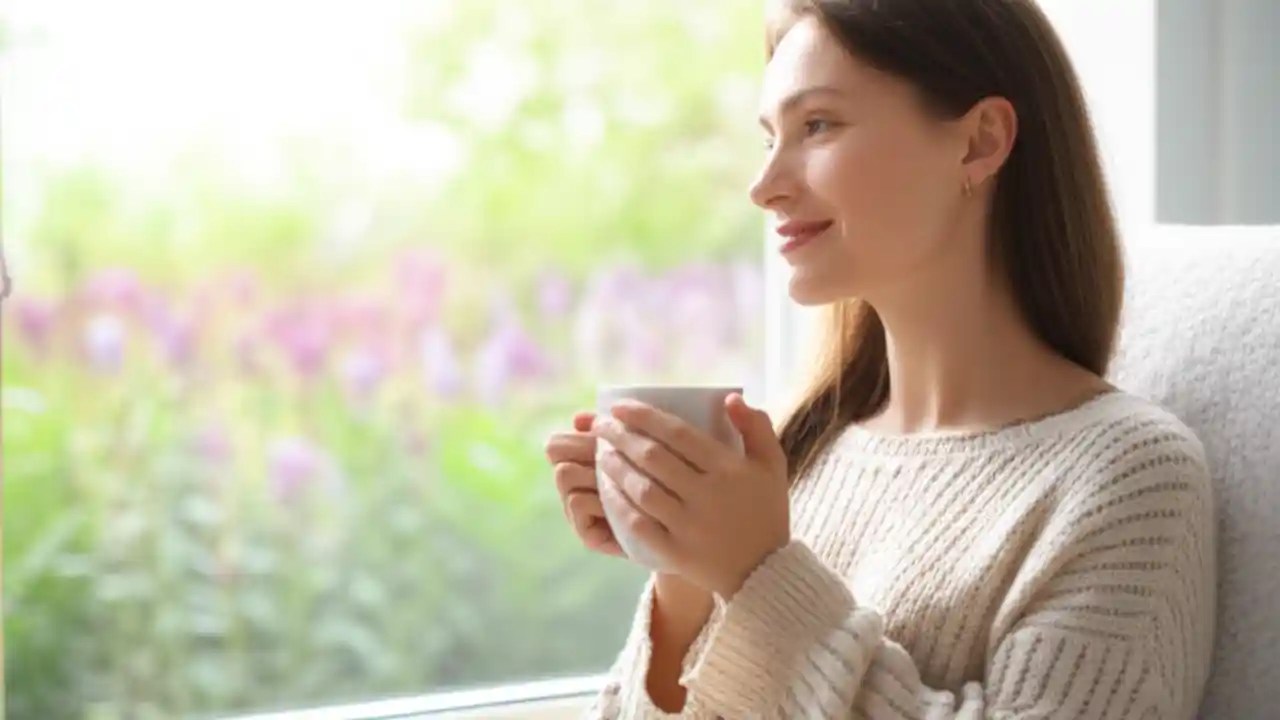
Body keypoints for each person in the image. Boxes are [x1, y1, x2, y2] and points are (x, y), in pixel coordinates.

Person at [543, 0, 1216, 717]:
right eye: (770, 137)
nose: (764, 185)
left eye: (818, 126)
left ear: (979, 142)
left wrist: (756, 576)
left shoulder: (1132, 480)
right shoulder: (800, 450)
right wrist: (687, 580)